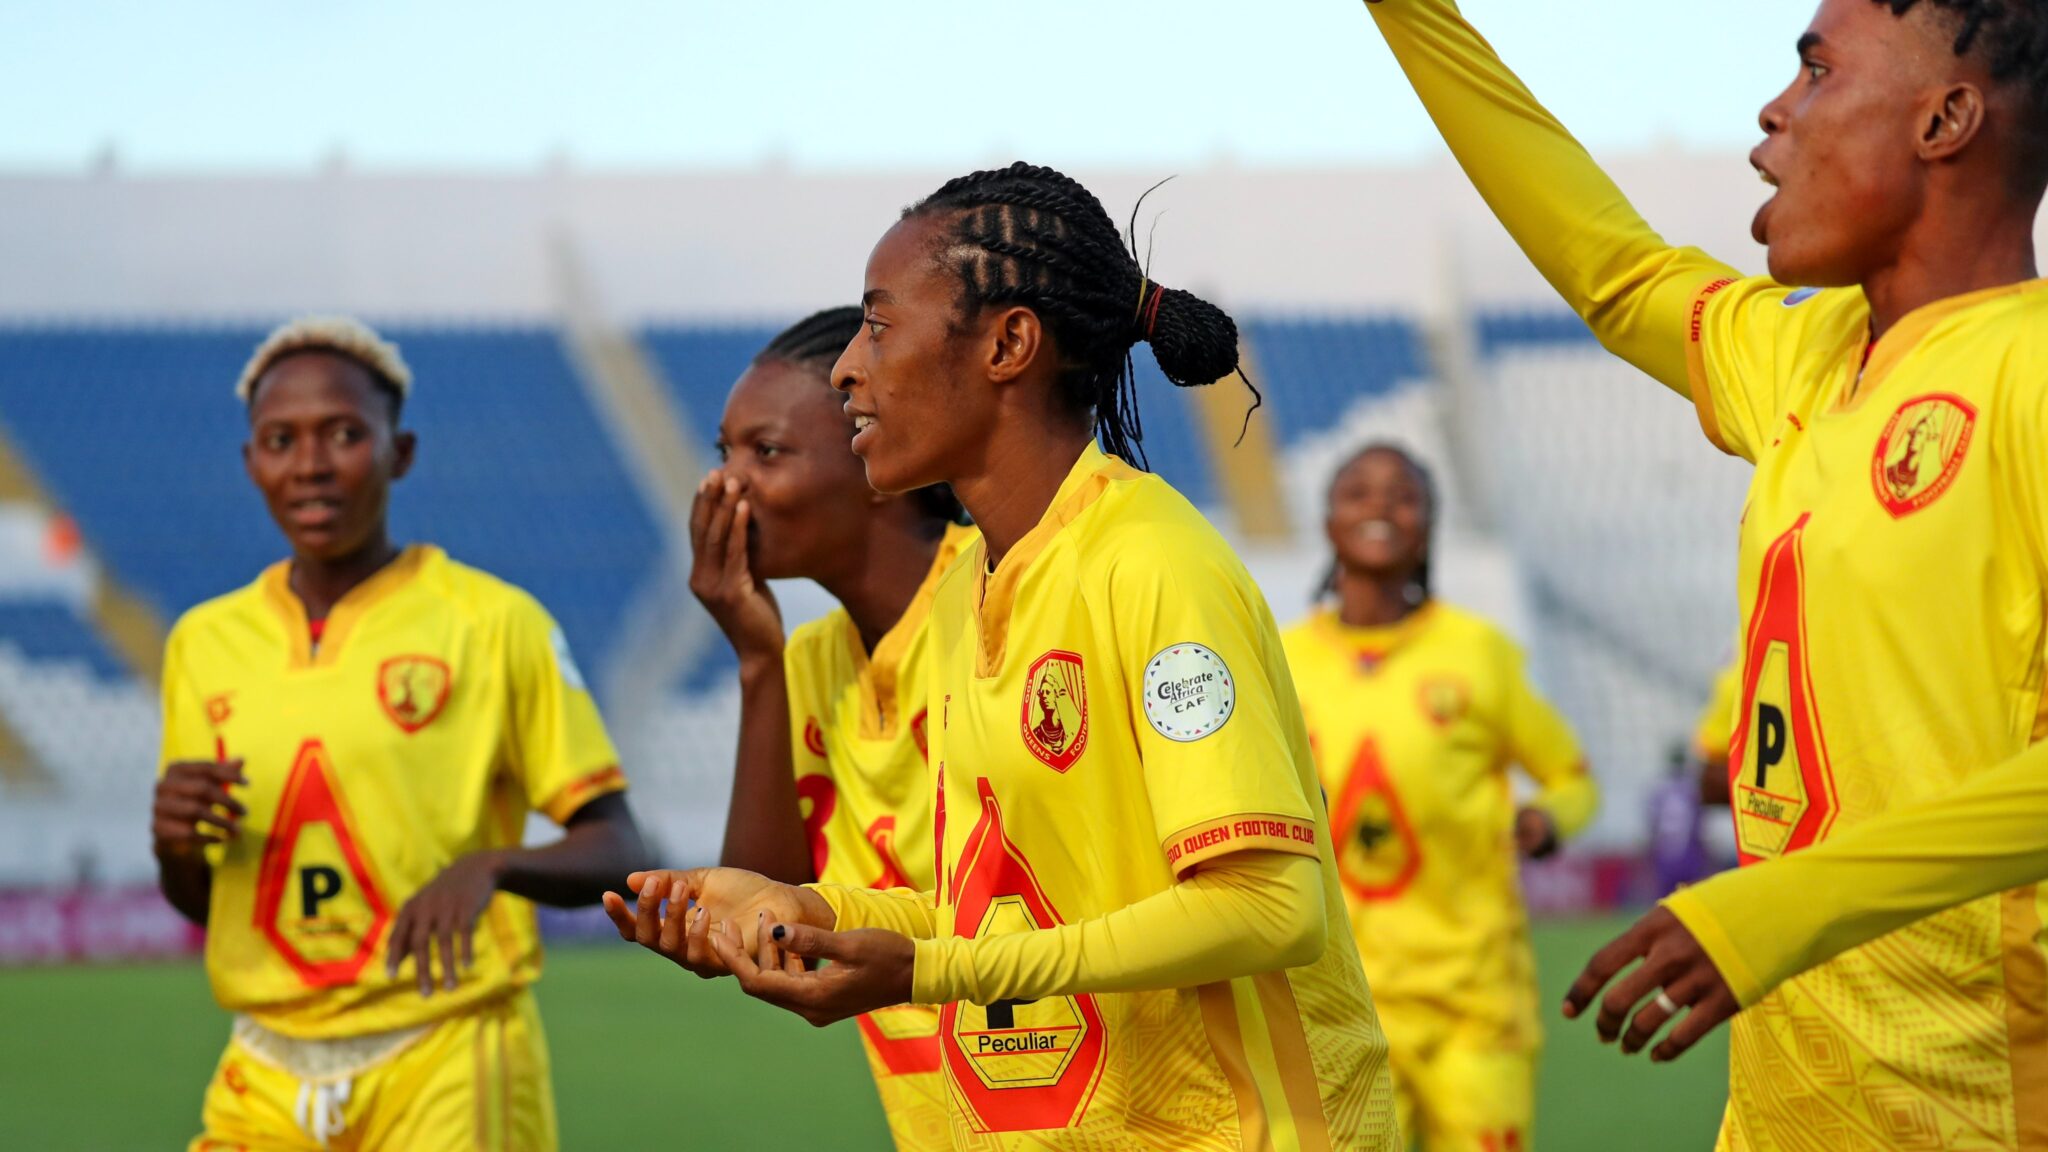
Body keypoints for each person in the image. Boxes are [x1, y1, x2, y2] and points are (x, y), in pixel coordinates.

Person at [1361, 0, 2048, 1147]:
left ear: (1946, 119)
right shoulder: (1800, 346)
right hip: (1777, 1114)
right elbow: (1614, 272)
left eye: (1816, 73)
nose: (1770, 117)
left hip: (1977, 1111)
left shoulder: (2027, 373)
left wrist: (1779, 906)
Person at [606, 161, 1400, 1149]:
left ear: (1008, 344)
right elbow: (989, 905)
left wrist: (931, 973)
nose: (849, 367)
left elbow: (1266, 907)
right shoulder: (970, 589)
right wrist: (796, 904)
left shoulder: (1150, 561)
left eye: (879, 325)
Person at [150, 316, 647, 1151]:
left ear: (400, 451)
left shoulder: (493, 623)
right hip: (263, 1069)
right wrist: (172, 847)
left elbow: (617, 844)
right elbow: (207, 898)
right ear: (251, 464)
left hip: (447, 1054)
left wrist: (494, 865)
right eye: (281, 440)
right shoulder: (204, 642)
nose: (311, 465)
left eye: (344, 434)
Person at [690, 305, 976, 1151]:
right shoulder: (806, 657)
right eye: (723, 454)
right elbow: (761, 902)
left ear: (875, 456)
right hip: (943, 1126)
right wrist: (754, 660)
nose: (723, 487)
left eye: (766, 453)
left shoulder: (1007, 605)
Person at [1282, 442, 1596, 1151]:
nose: (1381, 508)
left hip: (1475, 1005)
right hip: (1338, 1004)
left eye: (1403, 494)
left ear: (1429, 522)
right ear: (1329, 520)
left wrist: (1548, 818)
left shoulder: (1479, 653)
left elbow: (1574, 778)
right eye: (1358, 492)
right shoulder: (1282, 660)